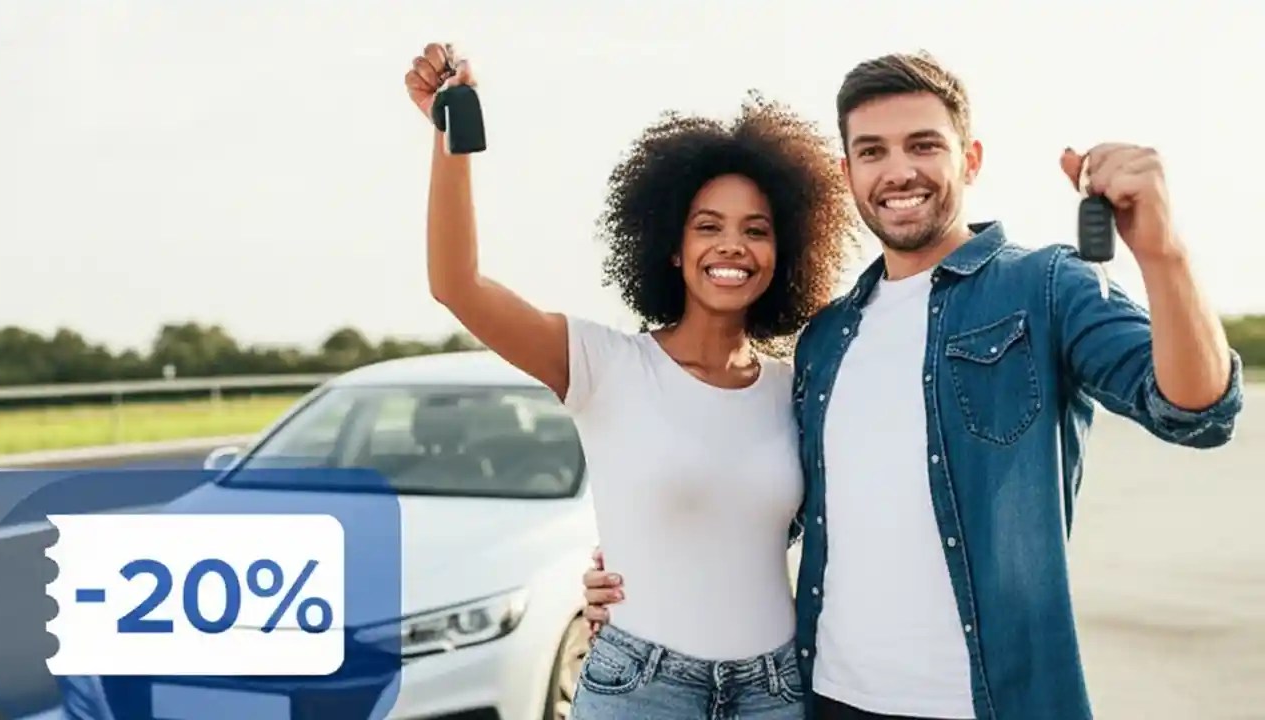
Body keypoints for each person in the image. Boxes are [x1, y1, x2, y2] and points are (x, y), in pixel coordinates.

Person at [581, 51, 1245, 720]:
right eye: (872, 151)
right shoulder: (825, 340)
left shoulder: (1045, 288)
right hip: (828, 697)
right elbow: (776, 512)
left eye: (923, 145)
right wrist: (642, 574)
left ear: (971, 159)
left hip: (988, 704)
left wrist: (1164, 252)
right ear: (847, 175)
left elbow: (1196, 411)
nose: (898, 171)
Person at [404, 42, 858, 719]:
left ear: (782, 252)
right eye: (709, 227)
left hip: (775, 692)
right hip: (644, 690)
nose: (732, 245)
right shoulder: (601, 365)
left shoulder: (795, 388)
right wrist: (451, 139)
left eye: (756, 230)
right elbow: (457, 285)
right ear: (672, 249)